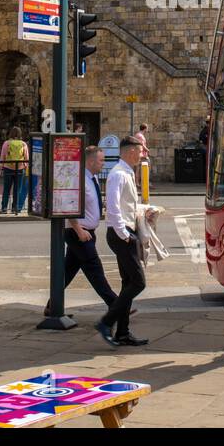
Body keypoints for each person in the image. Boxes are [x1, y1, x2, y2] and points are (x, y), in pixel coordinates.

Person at [43, 146, 118, 318]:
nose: (103, 164)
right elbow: (67, 205)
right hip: (79, 233)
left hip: (87, 232)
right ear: (91, 161)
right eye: (101, 160)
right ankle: (116, 306)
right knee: (95, 270)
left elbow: (91, 201)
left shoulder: (92, 178)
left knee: (67, 272)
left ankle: (51, 307)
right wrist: (78, 229)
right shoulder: (79, 180)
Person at [97, 134, 148, 347]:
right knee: (138, 282)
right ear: (130, 151)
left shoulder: (126, 172)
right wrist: (125, 234)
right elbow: (114, 207)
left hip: (126, 230)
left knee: (128, 282)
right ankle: (106, 322)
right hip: (121, 234)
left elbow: (126, 206)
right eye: (140, 150)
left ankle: (122, 333)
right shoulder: (118, 174)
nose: (142, 154)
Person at [0, 127, 28, 214]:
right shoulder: (23, 144)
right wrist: (25, 167)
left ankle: (4, 208)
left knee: (6, 189)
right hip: (20, 169)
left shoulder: (6, 143)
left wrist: (1, 168)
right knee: (17, 190)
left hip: (8, 168)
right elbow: (26, 158)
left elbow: (2, 156)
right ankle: (15, 208)